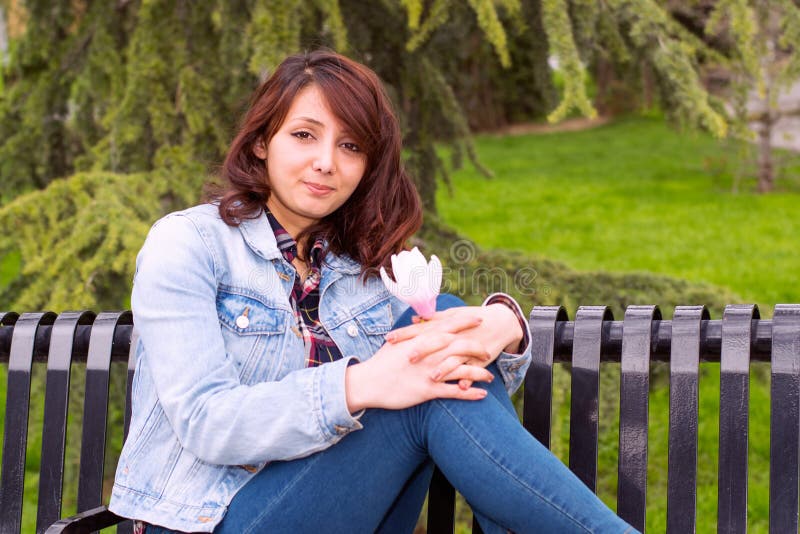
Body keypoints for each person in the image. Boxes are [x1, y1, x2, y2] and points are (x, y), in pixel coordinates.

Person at [108, 50, 636, 534]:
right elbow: (206, 421)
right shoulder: (189, 243)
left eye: (350, 145)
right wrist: (359, 385)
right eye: (304, 135)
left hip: (335, 510)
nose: (326, 163)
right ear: (262, 141)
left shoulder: (360, 270)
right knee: (421, 380)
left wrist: (506, 323)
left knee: (438, 333)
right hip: (204, 520)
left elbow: (463, 373)